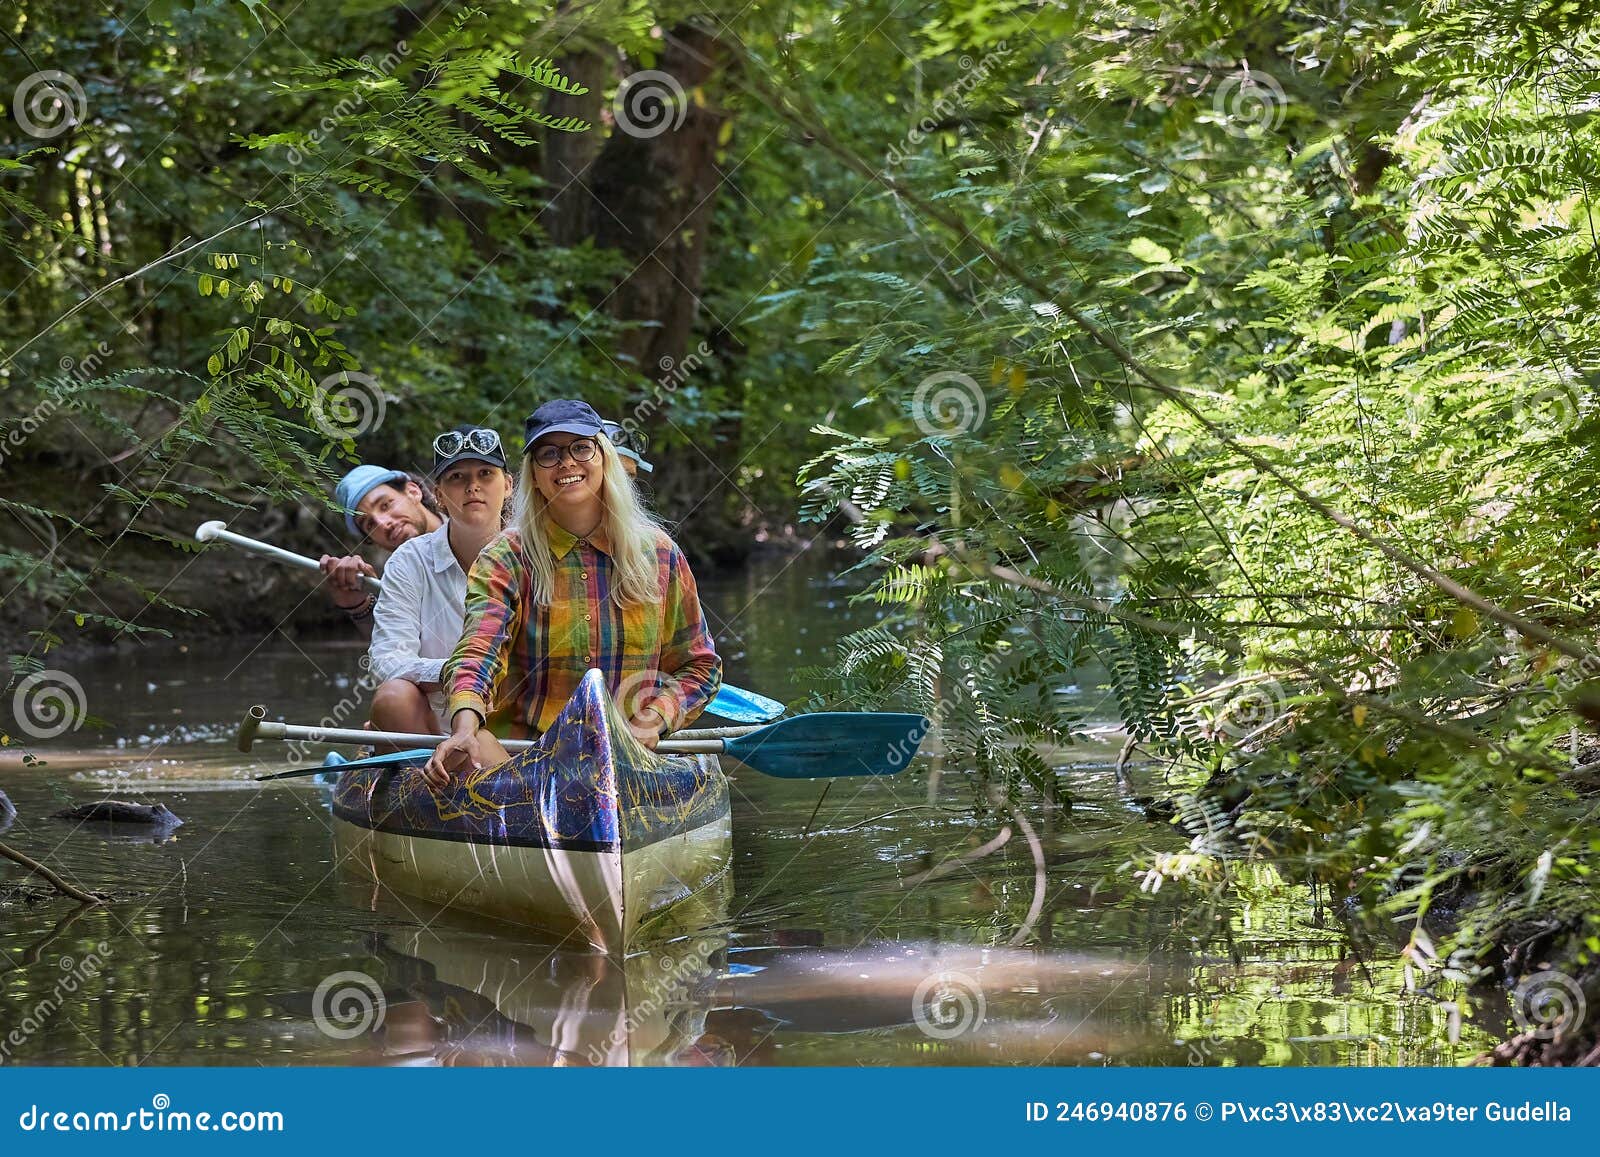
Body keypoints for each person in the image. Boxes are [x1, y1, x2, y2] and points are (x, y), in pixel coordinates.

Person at [424, 400, 720, 786]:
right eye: (549, 454)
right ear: (532, 476)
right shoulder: (505, 557)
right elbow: (478, 651)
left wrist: (652, 722)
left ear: (604, 458)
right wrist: (463, 725)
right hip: (524, 761)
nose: (566, 463)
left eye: (580, 447)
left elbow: (700, 666)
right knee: (477, 741)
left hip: (629, 756)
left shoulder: (660, 554)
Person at [367, 426, 514, 740]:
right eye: (457, 478)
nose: (473, 486)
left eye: (486, 473)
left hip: (517, 723)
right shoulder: (409, 561)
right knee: (393, 697)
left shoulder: (536, 553)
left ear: (508, 486)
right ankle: (421, 775)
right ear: (439, 496)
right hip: (435, 732)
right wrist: (457, 673)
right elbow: (385, 660)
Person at [320, 465, 443, 633]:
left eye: (385, 505)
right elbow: (400, 652)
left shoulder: (479, 526)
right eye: (369, 524)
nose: (383, 524)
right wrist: (359, 606)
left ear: (413, 492)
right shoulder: (399, 585)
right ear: (371, 541)